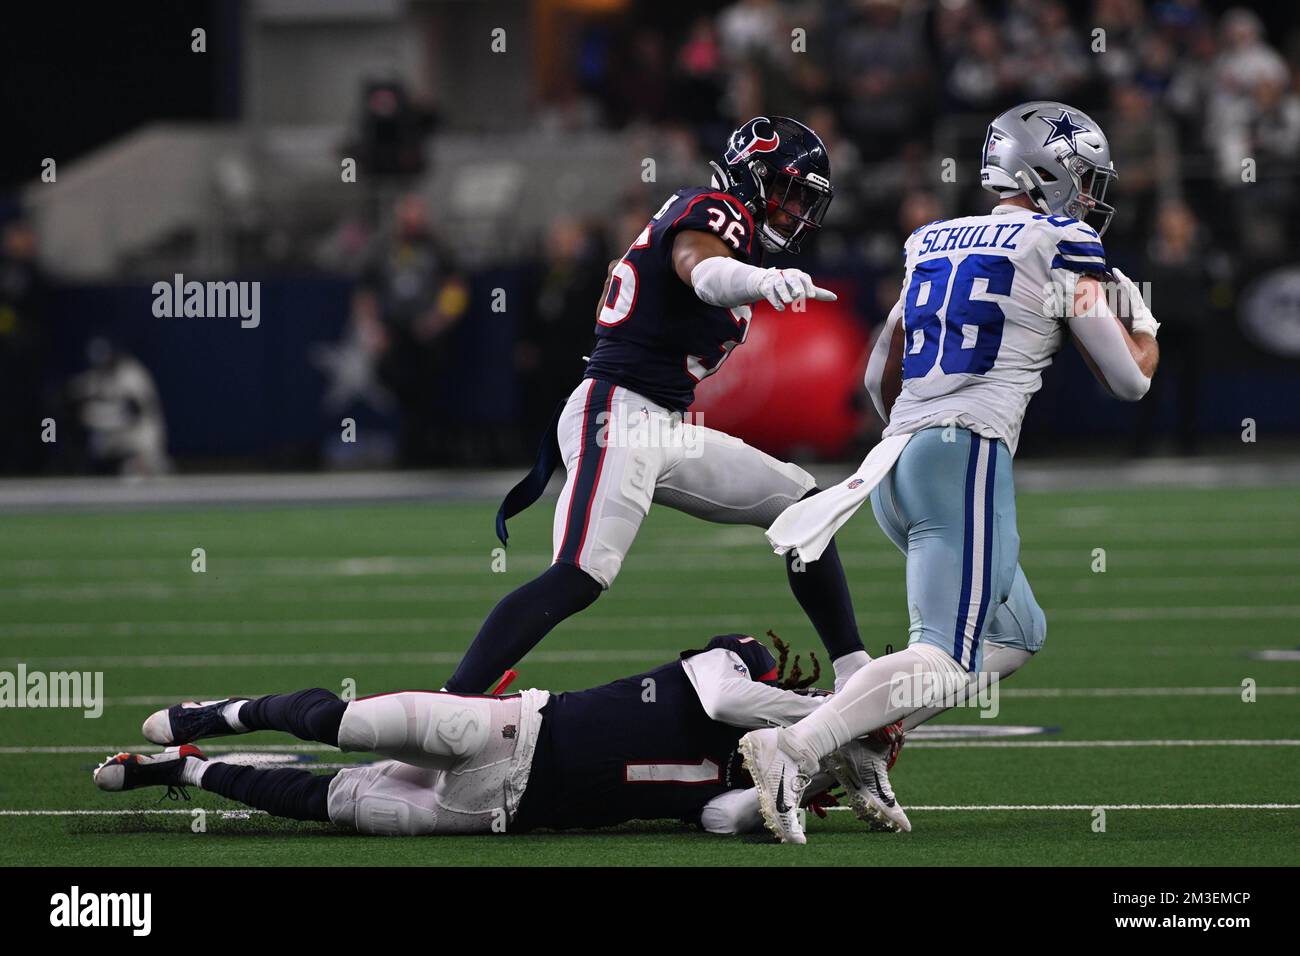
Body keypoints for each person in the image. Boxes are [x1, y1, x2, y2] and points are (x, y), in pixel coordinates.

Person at [746, 101, 1161, 843]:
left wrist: (918, 425)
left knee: (1018, 632)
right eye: (1083, 178)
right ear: (1044, 172)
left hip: (896, 464)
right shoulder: (1058, 240)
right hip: (962, 456)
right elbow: (1129, 381)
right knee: (941, 652)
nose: (1092, 197)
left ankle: (867, 737)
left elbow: (878, 373)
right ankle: (798, 744)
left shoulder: (931, 237)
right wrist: (1145, 324)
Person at [93, 634, 848, 837]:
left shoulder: (745, 781)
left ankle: (184, 771)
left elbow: (723, 816)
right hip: (515, 729)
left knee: (336, 805)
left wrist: (807, 773)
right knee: (353, 725)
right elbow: (720, 693)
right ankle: (226, 715)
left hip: (503, 813)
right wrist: (815, 724)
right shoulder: (742, 665)